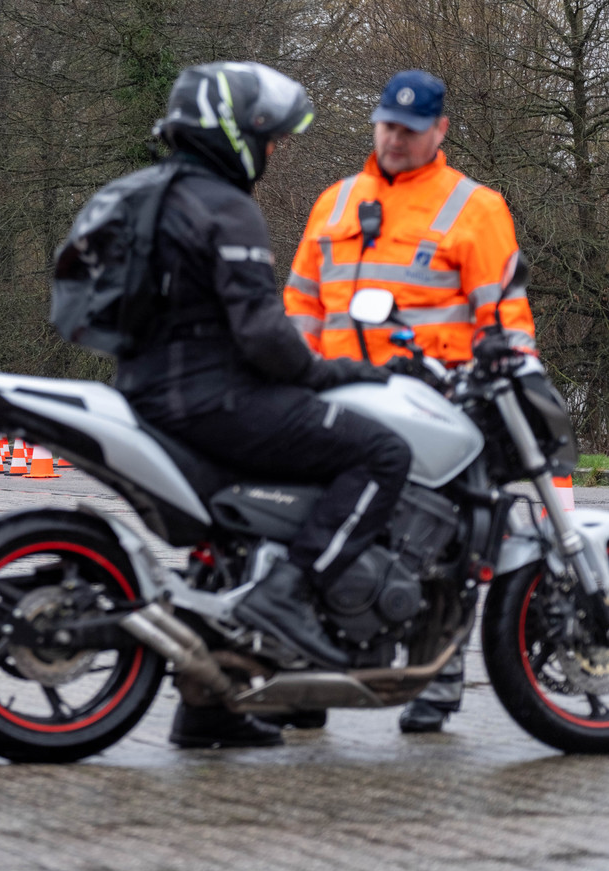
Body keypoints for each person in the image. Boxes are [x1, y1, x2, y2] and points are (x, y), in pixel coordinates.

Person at [115, 61, 412, 749]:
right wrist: (327, 374)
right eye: (267, 137)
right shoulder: (224, 206)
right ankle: (293, 593)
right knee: (380, 451)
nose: (273, 150)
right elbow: (263, 335)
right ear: (230, 134)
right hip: (211, 400)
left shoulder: (149, 195)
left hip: (150, 390)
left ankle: (209, 706)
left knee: (240, 532)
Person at [284, 69, 537, 734]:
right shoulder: (335, 203)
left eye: (410, 129)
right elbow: (301, 306)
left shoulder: (474, 207)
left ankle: (440, 677)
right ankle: (309, 678)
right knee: (315, 528)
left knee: (444, 546)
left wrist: (519, 378)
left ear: (439, 131)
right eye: (386, 125)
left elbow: (503, 313)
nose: (394, 139)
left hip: (441, 401)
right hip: (339, 399)